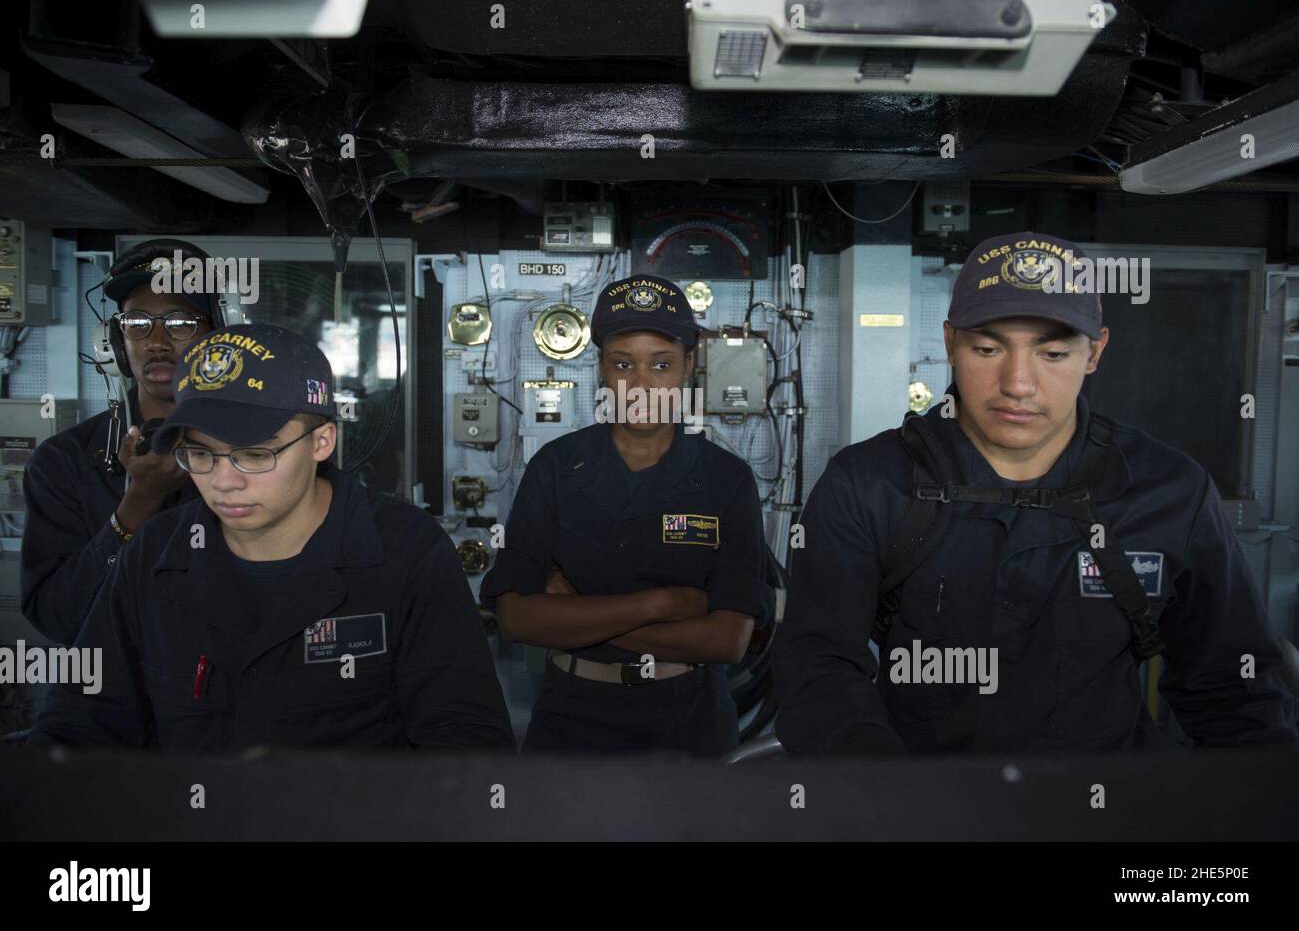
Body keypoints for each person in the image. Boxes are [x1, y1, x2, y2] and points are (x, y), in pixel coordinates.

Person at [774, 231, 1297, 754]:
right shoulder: (869, 485)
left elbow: (1235, 688)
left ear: (1094, 352)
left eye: (1051, 352)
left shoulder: (1169, 492)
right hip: (925, 807)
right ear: (950, 342)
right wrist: (886, 800)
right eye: (987, 348)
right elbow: (818, 666)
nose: (1018, 383)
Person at [30, 322, 515, 751]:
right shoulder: (155, 553)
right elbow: (82, 721)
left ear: (322, 441)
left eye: (255, 454)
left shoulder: (407, 553)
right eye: (200, 455)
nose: (224, 481)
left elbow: (464, 741)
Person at [480, 275, 772, 757]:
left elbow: (727, 640)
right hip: (572, 720)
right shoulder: (554, 468)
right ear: (600, 369)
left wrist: (579, 614)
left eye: (661, 364)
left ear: (688, 367)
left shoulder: (727, 480)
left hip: (688, 724)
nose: (642, 385)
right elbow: (516, 618)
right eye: (623, 364)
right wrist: (663, 603)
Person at [21, 239, 221, 643]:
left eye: (181, 322)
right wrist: (139, 503)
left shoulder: (261, 449)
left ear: (219, 335)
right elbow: (58, 618)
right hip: (114, 697)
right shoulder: (63, 462)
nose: (157, 343)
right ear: (114, 343)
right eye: (137, 323)